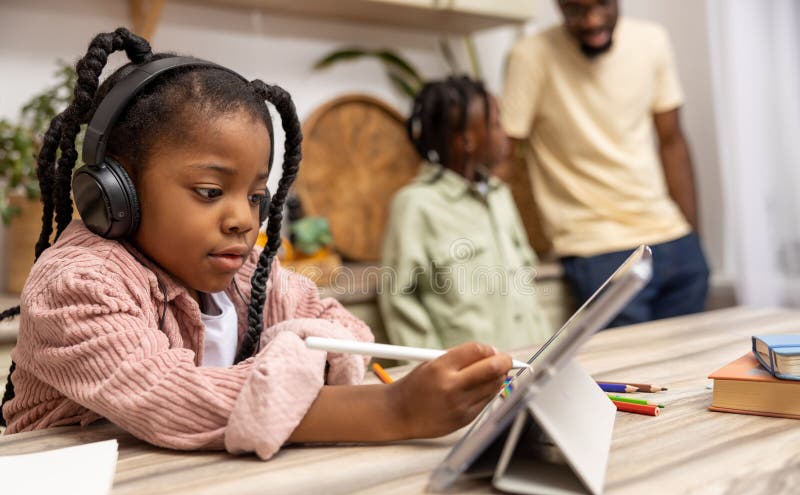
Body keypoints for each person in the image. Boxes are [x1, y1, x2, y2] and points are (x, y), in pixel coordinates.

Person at [0, 28, 513, 459]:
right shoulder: (78, 284)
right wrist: (395, 409)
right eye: (210, 192)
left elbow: (341, 328)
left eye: (255, 196)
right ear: (116, 192)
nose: (243, 221)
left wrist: (292, 345)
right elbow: (177, 399)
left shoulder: (240, 276)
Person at [501, 0, 710, 327]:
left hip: (675, 243)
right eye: (575, 10)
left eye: (602, 4)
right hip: (599, 251)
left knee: (688, 373)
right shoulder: (530, 56)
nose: (592, 20)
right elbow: (505, 156)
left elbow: (672, 142)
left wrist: (693, 239)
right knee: (632, 374)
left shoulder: (652, 40)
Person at [380, 76, 553, 351]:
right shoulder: (416, 205)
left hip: (531, 359)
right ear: (466, 140)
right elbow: (400, 300)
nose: (504, 133)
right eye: (495, 124)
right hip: (474, 378)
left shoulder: (500, 195)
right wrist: (433, 375)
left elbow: (525, 283)